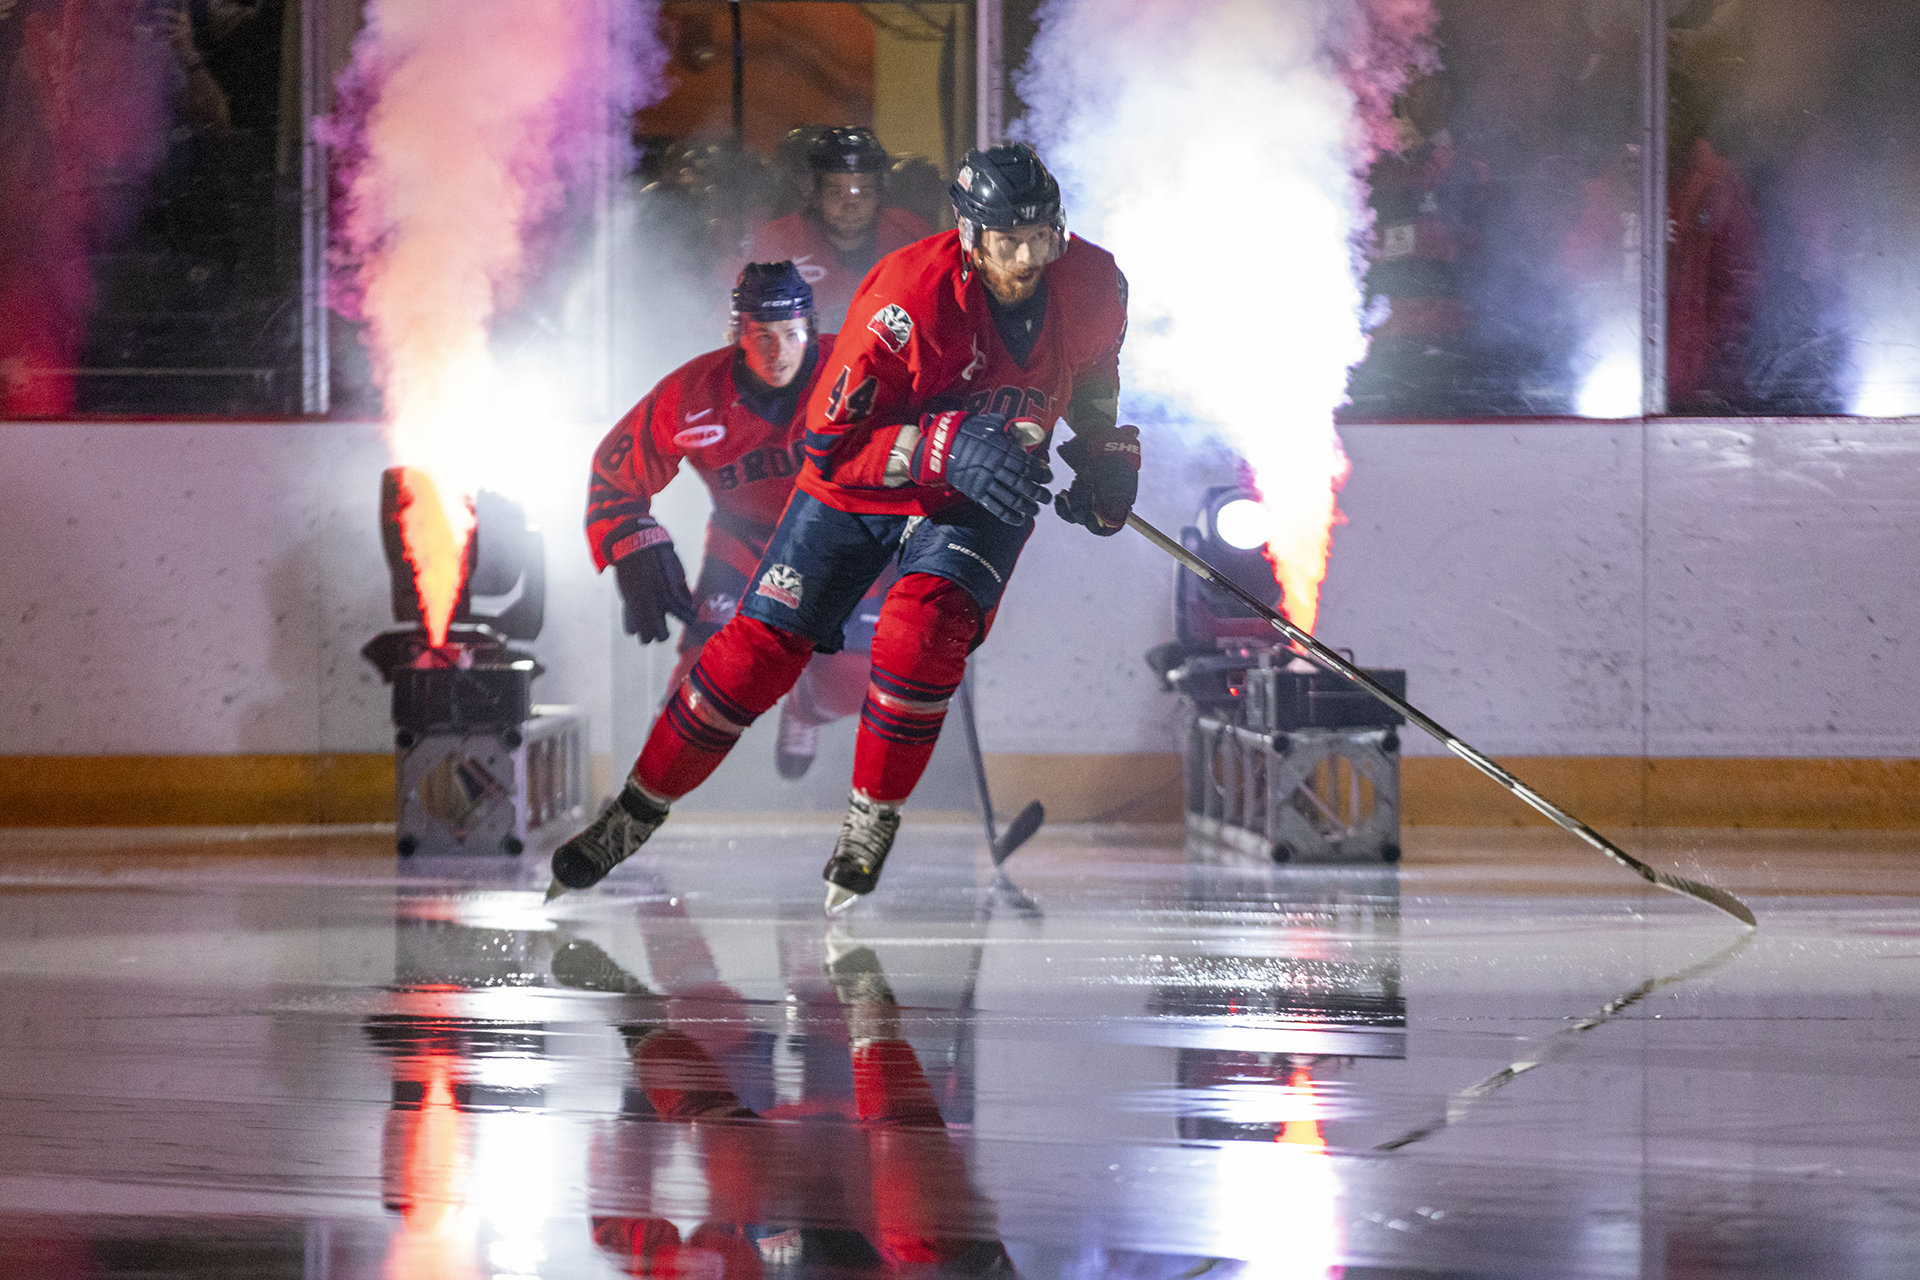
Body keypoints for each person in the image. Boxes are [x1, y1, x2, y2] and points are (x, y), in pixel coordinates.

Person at [553, 142, 1136, 913]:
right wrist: (939, 447)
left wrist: (1104, 452)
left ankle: (871, 818)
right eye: (1008, 241)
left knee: (921, 634)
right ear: (969, 235)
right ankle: (636, 810)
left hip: (982, 485)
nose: (1029, 258)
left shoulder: (1096, 281)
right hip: (868, 476)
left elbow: (1094, 375)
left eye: (1042, 236)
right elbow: (830, 446)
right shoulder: (902, 300)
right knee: (753, 654)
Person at [585, 260, 875, 779]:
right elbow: (615, 472)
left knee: (852, 677)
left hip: (840, 540)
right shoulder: (694, 392)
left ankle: (805, 707)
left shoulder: (855, 366)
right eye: (760, 335)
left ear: (810, 327)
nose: (777, 352)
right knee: (697, 682)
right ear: (737, 333)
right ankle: (640, 794)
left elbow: (926, 434)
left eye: (790, 333)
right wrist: (630, 536)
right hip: (743, 542)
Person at [744, 126, 932, 332]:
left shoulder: (913, 238)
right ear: (815, 194)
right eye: (835, 193)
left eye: (863, 192)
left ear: (879, 194)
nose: (850, 206)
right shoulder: (776, 242)